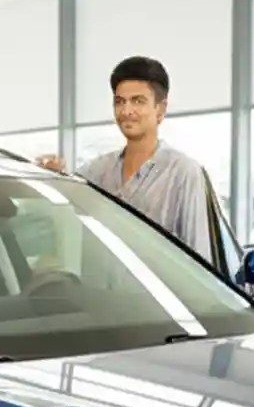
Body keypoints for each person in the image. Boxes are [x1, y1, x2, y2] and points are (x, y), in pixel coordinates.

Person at [39, 56, 219, 265]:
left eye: (138, 101)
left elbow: (200, 259)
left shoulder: (183, 172)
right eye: (119, 102)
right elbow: (64, 213)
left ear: (160, 109)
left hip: (156, 297)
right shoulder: (96, 172)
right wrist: (52, 176)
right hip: (100, 296)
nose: (126, 111)